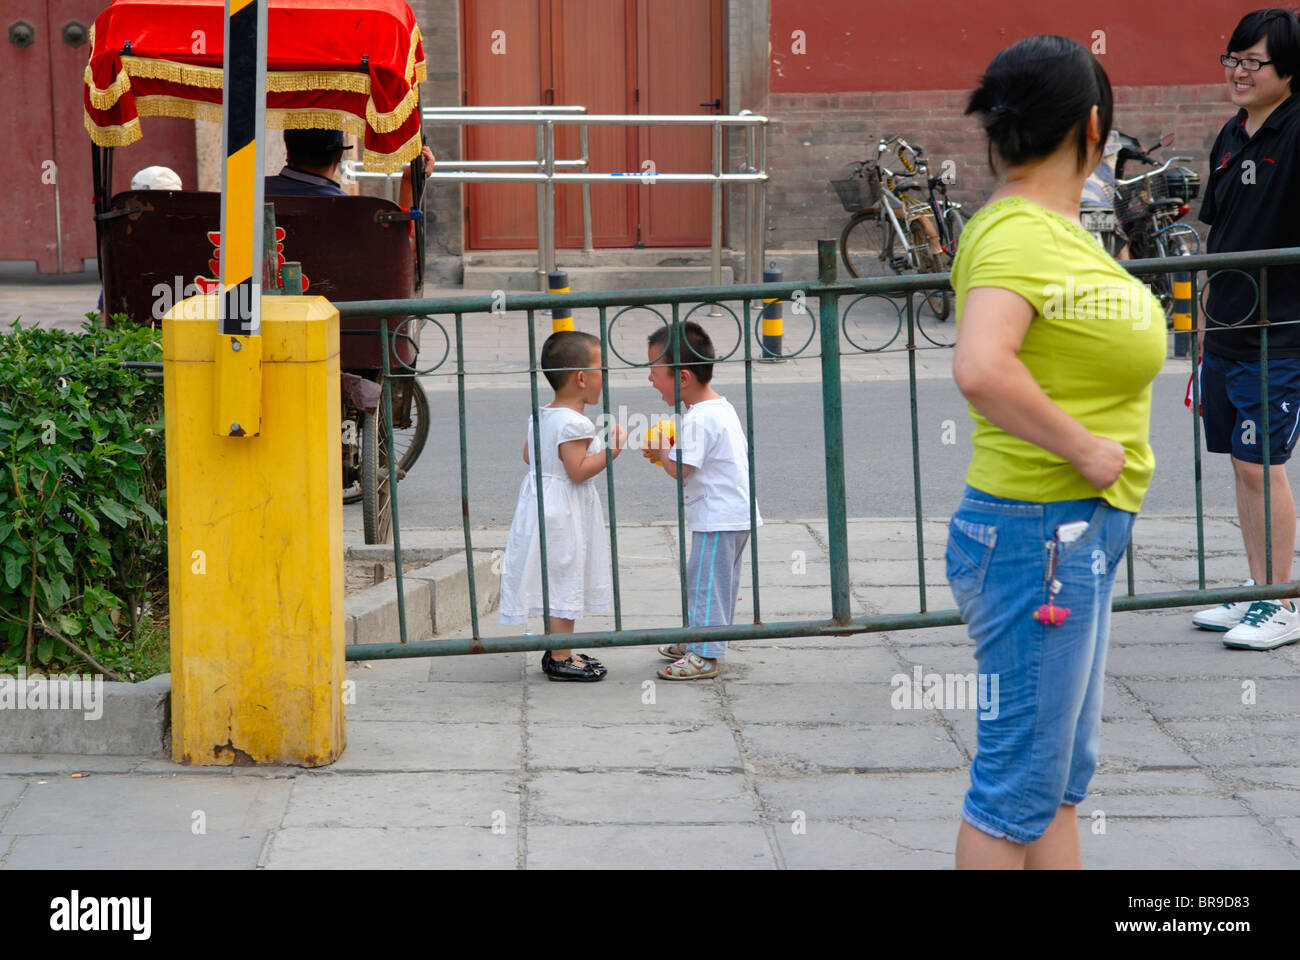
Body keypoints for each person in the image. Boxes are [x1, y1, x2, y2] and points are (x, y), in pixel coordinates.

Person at [947, 35, 1166, 868]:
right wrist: (1085, 450)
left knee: (1056, 780)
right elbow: (980, 366)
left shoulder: (1048, 227)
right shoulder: (1016, 234)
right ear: (1094, 124)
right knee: (1013, 790)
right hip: (1039, 534)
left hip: (1067, 533)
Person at [1189, 8, 1300, 650]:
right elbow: (1219, 234)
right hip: (1226, 327)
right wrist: (1203, 328)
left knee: (1262, 462)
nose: (1238, 71)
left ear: (1289, 69)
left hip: (1280, 330)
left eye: (1252, 62)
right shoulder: (1232, 133)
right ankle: (1260, 591)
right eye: (1232, 58)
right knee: (1240, 462)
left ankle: (1281, 602)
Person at [498, 331, 626, 681]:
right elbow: (578, 471)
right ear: (582, 378)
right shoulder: (577, 423)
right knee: (565, 573)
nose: (605, 376)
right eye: (601, 369)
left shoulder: (542, 415)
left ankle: (558, 648)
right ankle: (561, 657)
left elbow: (529, 455)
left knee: (553, 572)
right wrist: (611, 451)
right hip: (563, 511)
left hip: (540, 501)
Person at [643, 321, 761, 680]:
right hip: (734, 516)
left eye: (654, 371)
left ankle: (705, 654)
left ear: (682, 379)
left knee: (707, 582)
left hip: (718, 517)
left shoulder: (698, 419)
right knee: (717, 582)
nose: (650, 379)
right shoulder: (719, 408)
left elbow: (680, 469)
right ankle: (702, 633)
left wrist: (662, 451)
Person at [264, 127, 435, 199]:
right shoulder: (352, 209)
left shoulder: (253, 191)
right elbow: (404, 250)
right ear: (340, 156)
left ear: (287, 149)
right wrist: (408, 182)